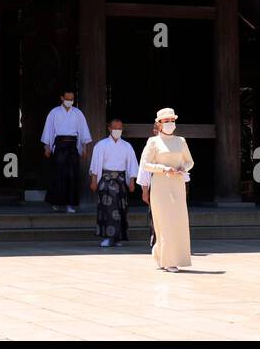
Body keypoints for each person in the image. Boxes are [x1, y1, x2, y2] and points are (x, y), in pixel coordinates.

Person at [140, 108, 193, 271]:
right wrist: (163, 168)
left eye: (172, 120)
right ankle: (167, 260)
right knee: (164, 222)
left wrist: (183, 168)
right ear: (159, 124)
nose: (170, 124)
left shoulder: (181, 141)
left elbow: (190, 161)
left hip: (177, 184)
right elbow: (145, 164)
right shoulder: (153, 142)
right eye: (166, 121)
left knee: (178, 222)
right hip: (161, 185)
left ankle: (173, 257)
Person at [88, 118, 139, 247]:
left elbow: (132, 165)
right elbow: (95, 164)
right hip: (106, 180)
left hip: (121, 180)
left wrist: (132, 181)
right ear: (109, 129)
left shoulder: (127, 146)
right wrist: (94, 180)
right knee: (107, 209)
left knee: (121, 209)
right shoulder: (101, 145)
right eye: (115, 128)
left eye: (120, 128)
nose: (117, 130)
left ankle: (118, 238)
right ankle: (108, 237)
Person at [40, 89, 91, 213]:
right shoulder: (54, 112)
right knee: (58, 174)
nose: (70, 101)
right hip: (59, 145)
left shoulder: (78, 113)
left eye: (72, 99)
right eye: (68, 99)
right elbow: (49, 130)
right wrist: (47, 147)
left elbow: (83, 131)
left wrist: (84, 148)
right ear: (62, 98)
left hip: (73, 146)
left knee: (72, 175)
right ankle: (56, 202)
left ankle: (70, 204)